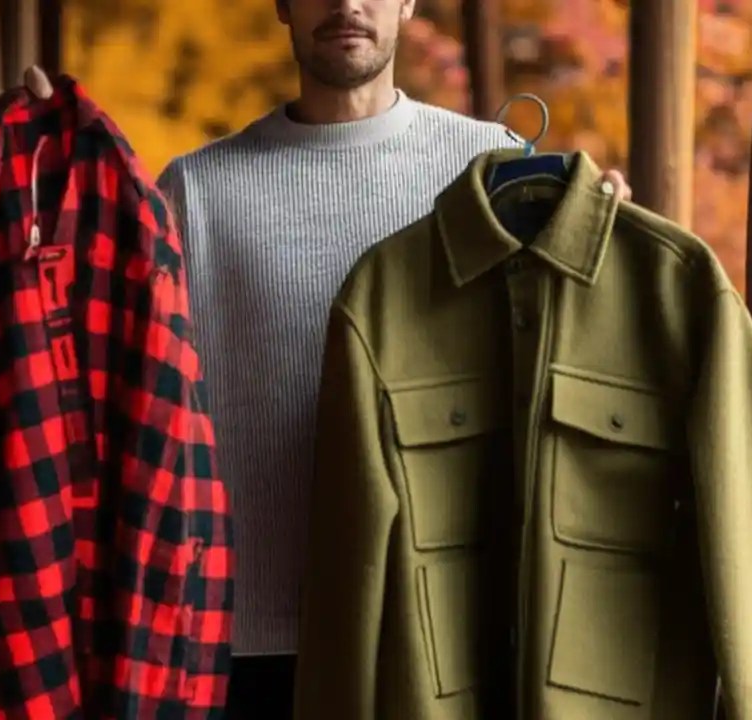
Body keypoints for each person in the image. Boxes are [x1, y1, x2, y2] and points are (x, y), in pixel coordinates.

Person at [156, 0, 631, 716]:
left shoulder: (487, 168)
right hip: (253, 636)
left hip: (446, 622)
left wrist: (607, 235)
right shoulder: (196, 192)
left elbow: (557, 354)